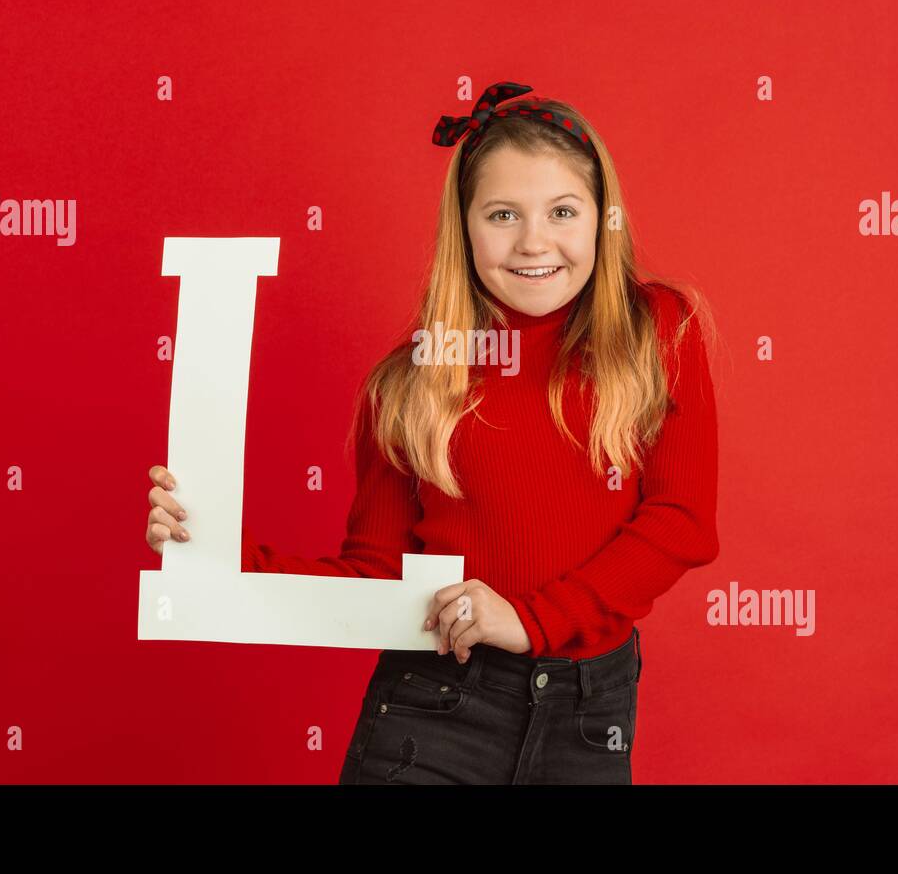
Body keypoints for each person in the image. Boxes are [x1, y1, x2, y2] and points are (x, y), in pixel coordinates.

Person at [145, 81, 721, 784]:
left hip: (586, 716)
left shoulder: (659, 332)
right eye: (503, 214)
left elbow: (681, 520)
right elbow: (378, 578)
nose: (535, 241)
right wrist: (217, 552)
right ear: (465, 225)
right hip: (437, 705)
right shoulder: (413, 382)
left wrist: (533, 620)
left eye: (563, 211)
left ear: (605, 219)